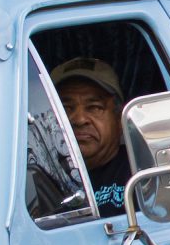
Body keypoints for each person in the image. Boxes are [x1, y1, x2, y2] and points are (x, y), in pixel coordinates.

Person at [51, 57, 133, 214]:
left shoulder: (141, 174)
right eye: (66, 109)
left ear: (119, 120)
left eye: (94, 107)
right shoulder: (34, 177)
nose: (79, 120)